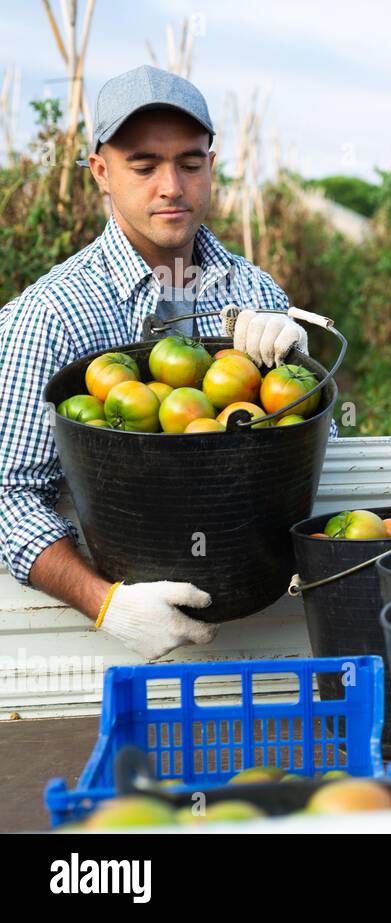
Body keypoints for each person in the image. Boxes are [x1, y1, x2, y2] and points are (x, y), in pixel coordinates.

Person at [0, 66, 316, 660]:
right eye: (143, 167)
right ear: (101, 172)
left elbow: (289, 446)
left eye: (190, 164)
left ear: (211, 166)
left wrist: (301, 361)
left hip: (260, 618)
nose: (171, 186)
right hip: (119, 651)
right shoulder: (52, 315)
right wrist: (104, 603)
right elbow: (7, 492)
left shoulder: (257, 293)